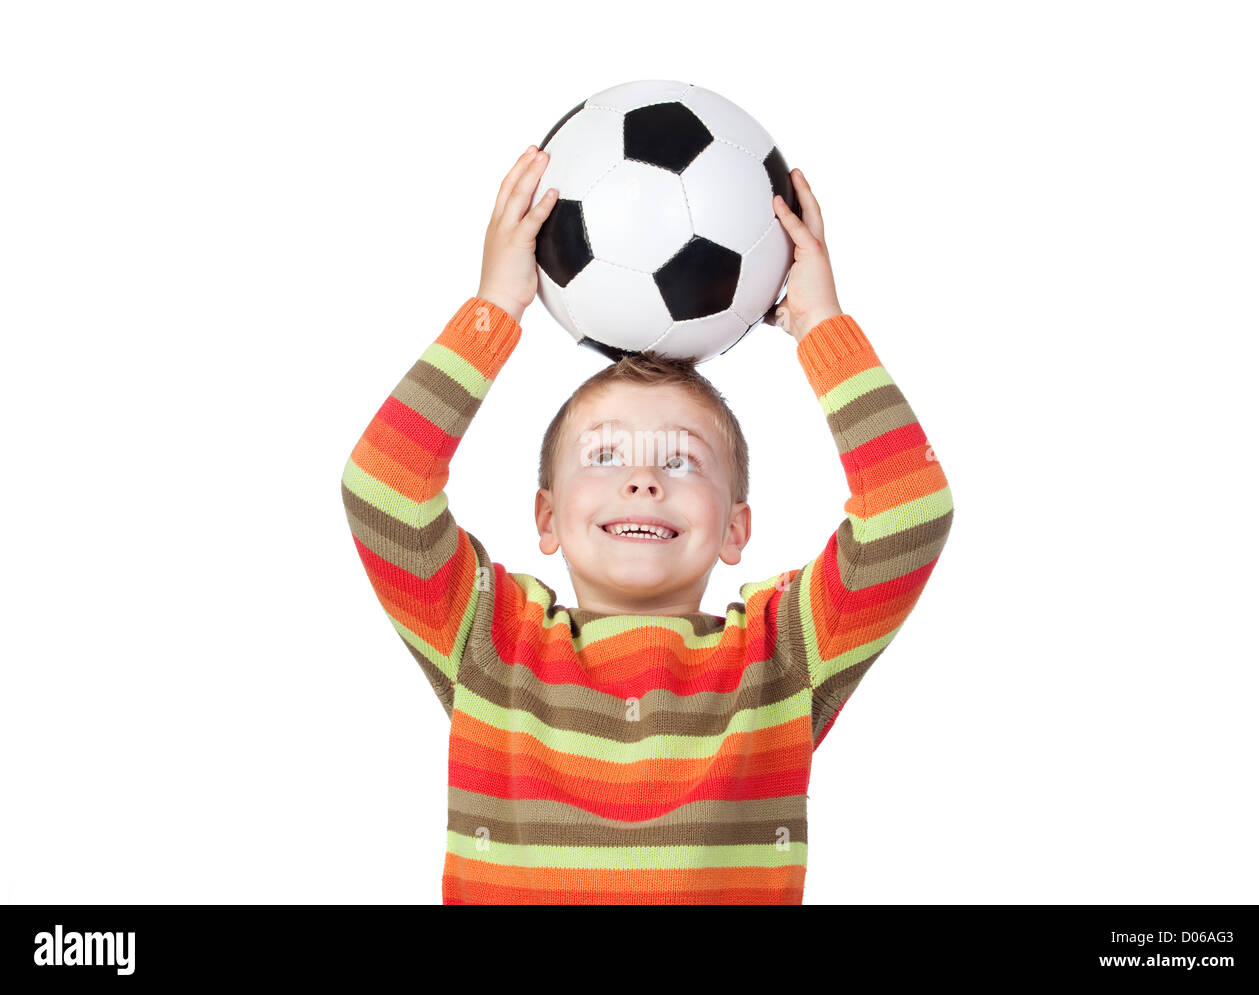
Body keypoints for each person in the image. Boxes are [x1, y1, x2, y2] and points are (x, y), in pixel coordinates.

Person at [340, 144, 955, 904]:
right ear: (548, 516)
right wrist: (493, 309)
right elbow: (384, 491)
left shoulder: (780, 657)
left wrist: (819, 324)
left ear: (735, 528)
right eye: (603, 456)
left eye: (684, 461)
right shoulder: (490, 642)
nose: (644, 476)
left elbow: (908, 510)